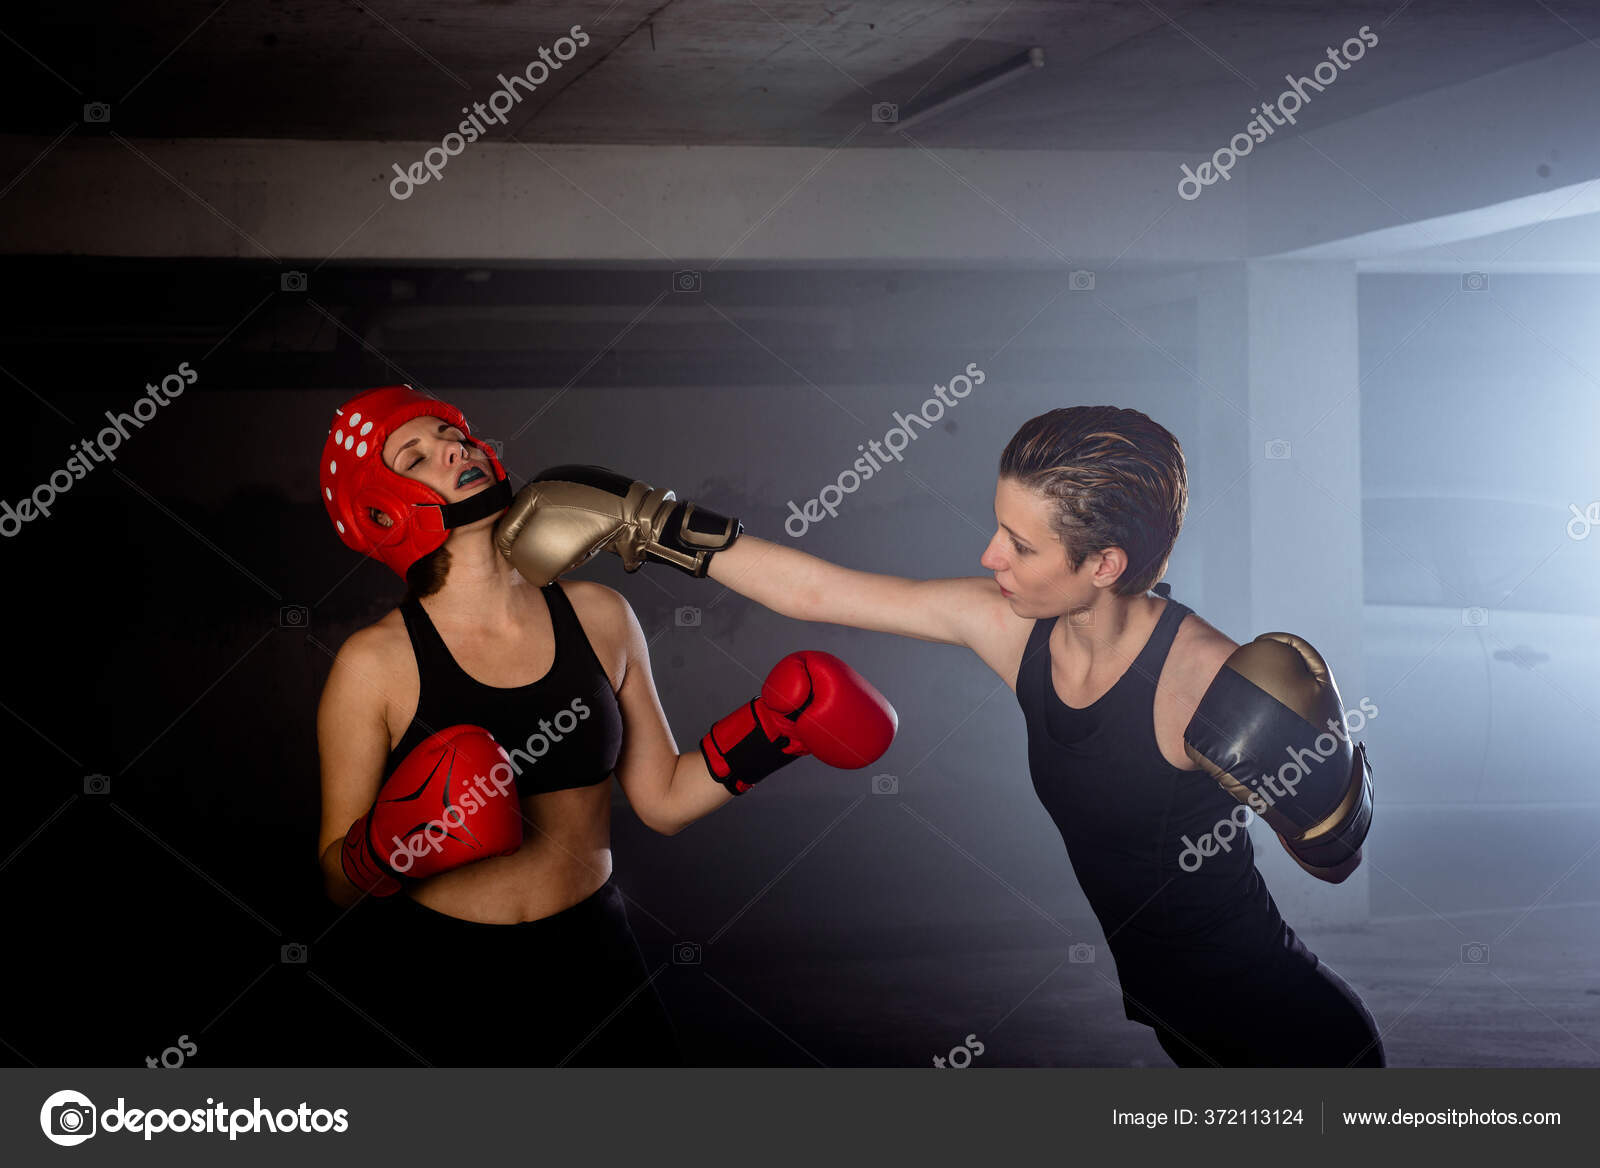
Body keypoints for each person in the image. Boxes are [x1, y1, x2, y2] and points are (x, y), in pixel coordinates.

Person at [494, 406, 1385, 1068]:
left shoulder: (1205, 682)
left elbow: (1334, 858)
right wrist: (650, 521)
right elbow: (816, 591)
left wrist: (1322, 774)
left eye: (1021, 546)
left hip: (1291, 1036)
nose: (992, 556)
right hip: (1181, 1024)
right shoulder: (1012, 628)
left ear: (1104, 565)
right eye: (999, 527)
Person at [313, 385, 898, 1067]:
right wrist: (390, 844)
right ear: (380, 512)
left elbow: (663, 800)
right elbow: (335, 880)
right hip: (443, 975)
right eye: (416, 456)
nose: (455, 450)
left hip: (596, 953)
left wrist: (775, 731)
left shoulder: (600, 615)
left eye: (457, 437)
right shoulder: (374, 662)